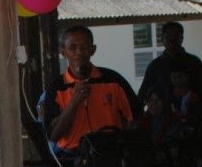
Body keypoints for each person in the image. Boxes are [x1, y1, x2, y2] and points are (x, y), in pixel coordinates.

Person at [43, 26, 138, 155]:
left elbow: (135, 118)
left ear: (93, 50)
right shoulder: (56, 89)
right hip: (72, 156)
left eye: (84, 46)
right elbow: (53, 135)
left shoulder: (113, 81)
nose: (79, 52)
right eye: (72, 47)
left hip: (110, 153)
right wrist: (74, 102)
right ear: (63, 52)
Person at [137, 21, 202, 116]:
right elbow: (142, 94)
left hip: (192, 119)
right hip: (163, 122)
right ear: (162, 39)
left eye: (175, 36)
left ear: (182, 39)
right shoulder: (155, 65)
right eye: (168, 36)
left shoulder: (193, 62)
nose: (172, 39)